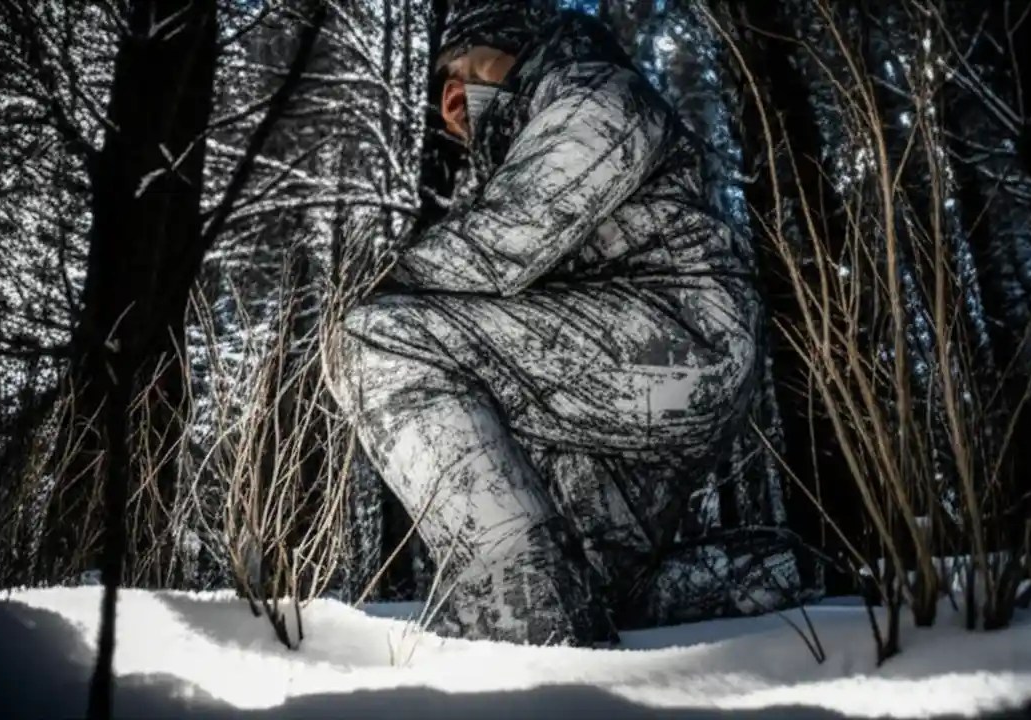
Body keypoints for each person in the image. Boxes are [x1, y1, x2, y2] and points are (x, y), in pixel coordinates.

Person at [326, 2, 801, 647]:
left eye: (463, 69)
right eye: (441, 86)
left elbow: (511, 239)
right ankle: (778, 575)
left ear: (517, 44)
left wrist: (377, 286)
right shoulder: (537, 127)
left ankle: (521, 620)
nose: (451, 100)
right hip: (628, 356)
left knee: (375, 335)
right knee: (596, 581)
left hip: (678, 339)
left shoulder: (593, 93)